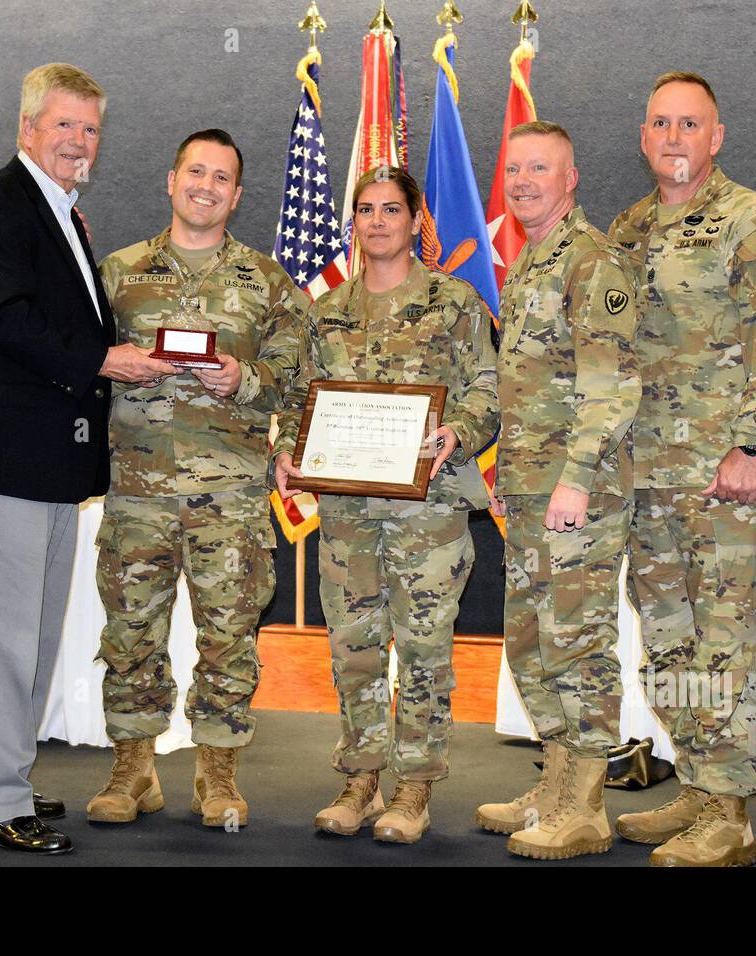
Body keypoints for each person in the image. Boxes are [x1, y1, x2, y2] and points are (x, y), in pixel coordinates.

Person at [0, 63, 175, 855]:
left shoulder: (60, 210)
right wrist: (106, 360)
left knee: (21, 634)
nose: (78, 140)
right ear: (27, 128)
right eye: (63, 124)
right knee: (4, 637)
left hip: (40, 467)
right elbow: (0, 319)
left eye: (90, 128)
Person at [607, 72, 756, 866]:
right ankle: (694, 782)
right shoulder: (627, 228)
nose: (675, 138)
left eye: (691, 124)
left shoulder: (752, 223)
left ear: (715, 138)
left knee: (726, 641)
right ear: (645, 136)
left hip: (725, 475)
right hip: (647, 475)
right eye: (661, 124)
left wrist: (752, 444)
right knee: (669, 643)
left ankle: (729, 811)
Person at [273, 166, 498, 844]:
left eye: (391, 209)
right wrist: (286, 449)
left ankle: (415, 787)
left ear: (414, 219)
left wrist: (459, 430)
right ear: (354, 222)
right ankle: (361, 778)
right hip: (346, 515)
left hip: (427, 511)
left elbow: (487, 393)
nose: (377, 221)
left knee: (426, 648)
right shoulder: (325, 310)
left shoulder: (453, 302)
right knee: (354, 647)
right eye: (365, 210)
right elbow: (296, 397)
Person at [87, 129, 304, 828]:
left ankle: (217, 775)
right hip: (137, 496)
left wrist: (247, 379)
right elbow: (75, 358)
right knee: (130, 636)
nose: (206, 186)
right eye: (195, 172)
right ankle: (133, 770)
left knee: (228, 639)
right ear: (171, 179)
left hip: (230, 502)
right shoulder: (116, 273)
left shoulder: (269, 283)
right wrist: (108, 359)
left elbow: (298, 380)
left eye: (222, 178)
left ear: (237, 195)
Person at [473, 121, 641, 860]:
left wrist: (573, 481)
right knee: (533, 644)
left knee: (578, 647)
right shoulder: (529, 262)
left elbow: (610, 387)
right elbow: (530, 389)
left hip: (581, 496)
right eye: (514, 170)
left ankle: (587, 807)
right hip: (533, 490)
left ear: (571, 178)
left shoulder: (592, 262)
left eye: (539, 169)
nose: (522, 182)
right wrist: (513, 473)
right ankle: (555, 782)